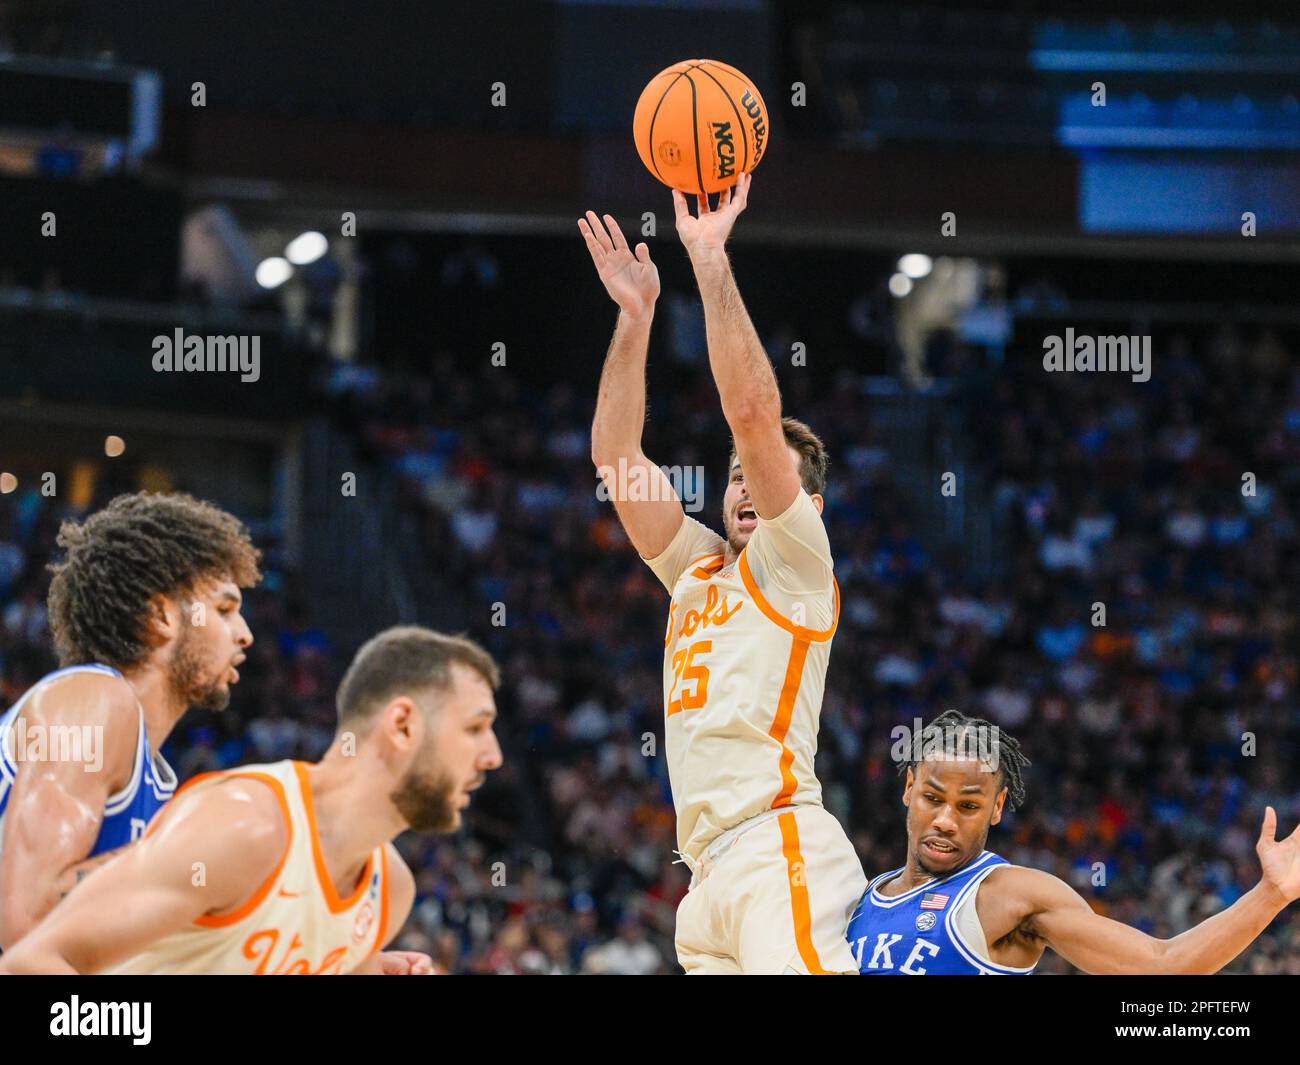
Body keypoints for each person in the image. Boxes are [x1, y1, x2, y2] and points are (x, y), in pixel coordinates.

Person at [580, 172, 865, 974]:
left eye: (763, 475)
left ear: (805, 503)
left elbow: (750, 414)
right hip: (705, 878)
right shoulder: (697, 567)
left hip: (779, 849)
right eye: (734, 475)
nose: (745, 482)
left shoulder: (798, 563)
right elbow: (616, 458)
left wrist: (708, 260)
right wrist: (634, 318)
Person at [0, 626, 503, 974]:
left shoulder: (389, 890)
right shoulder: (246, 825)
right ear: (402, 725)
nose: (493, 756)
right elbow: (29, 963)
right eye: (475, 728)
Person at [848, 710, 1300, 974]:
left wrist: (1271, 895)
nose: (945, 821)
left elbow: (1162, 965)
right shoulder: (860, 901)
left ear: (998, 806)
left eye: (968, 806)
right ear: (908, 789)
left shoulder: (1009, 894)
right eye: (932, 798)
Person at [0, 492, 259, 948]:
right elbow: (24, 917)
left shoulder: (156, 781)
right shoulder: (91, 701)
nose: (245, 634)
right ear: (161, 616)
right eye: (223, 610)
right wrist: (182, 857)